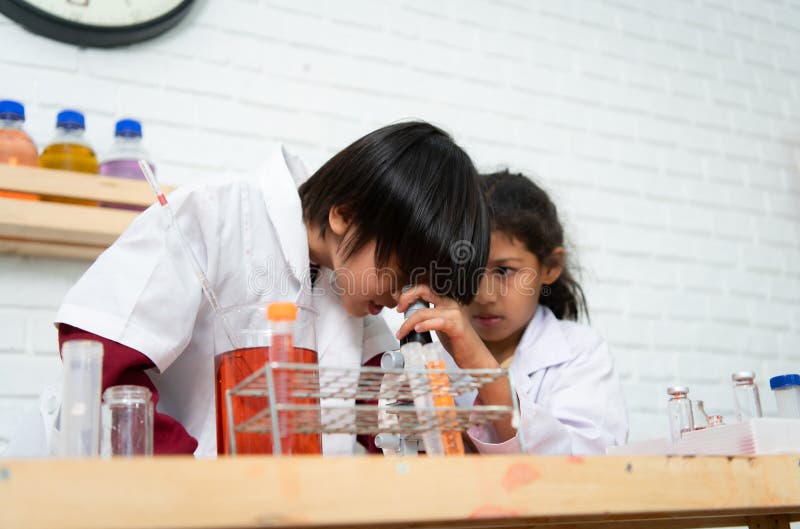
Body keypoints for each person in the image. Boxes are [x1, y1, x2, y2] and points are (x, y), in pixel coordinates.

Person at [46, 121, 489, 457]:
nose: (397, 298)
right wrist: (193, 483)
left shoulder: (351, 289)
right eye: (398, 274)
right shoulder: (215, 215)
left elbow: (384, 422)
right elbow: (99, 354)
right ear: (345, 215)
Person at [395, 170, 628, 455]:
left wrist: (482, 368)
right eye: (470, 271)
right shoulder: (428, 358)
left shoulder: (581, 353)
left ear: (551, 266)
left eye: (504, 270)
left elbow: (580, 468)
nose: (484, 295)